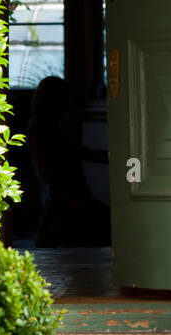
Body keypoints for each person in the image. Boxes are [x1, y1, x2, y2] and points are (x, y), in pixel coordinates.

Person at [27, 76, 110, 247]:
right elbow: (52, 169)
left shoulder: (46, 127)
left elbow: (74, 153)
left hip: (64, 199)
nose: (68, 106)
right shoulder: (44, 129)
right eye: (65, 101)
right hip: (65, 201)